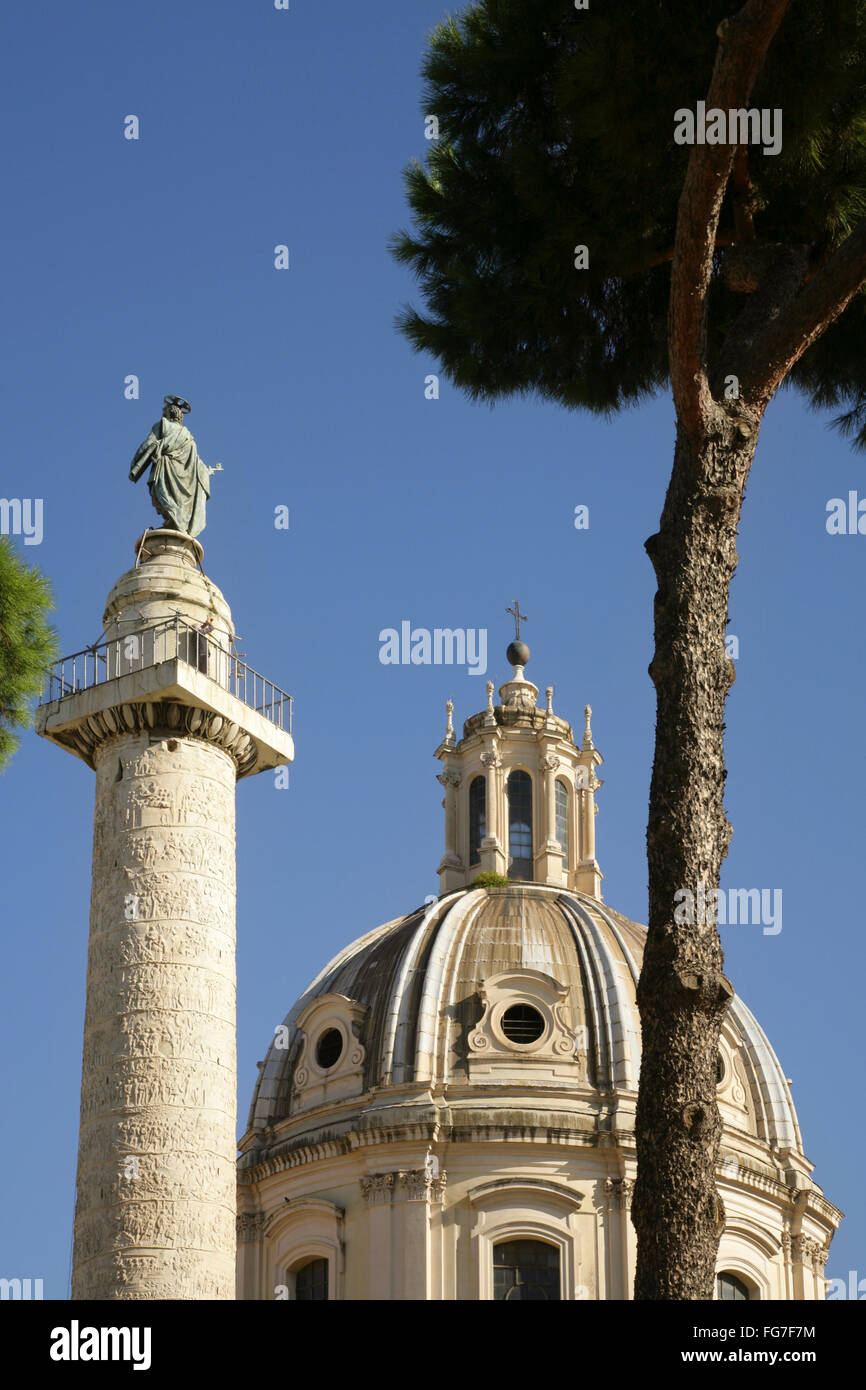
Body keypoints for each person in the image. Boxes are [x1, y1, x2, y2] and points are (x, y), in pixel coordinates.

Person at [129, 396, 222, 537]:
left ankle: (176, 520)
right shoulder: (188, 437)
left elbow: (147, 445)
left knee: (162, 496)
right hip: (183, 480)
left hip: (165, 470)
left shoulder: (163, 425)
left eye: (164, 410)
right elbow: (195, 462)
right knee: (169, 500)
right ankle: (176, 521)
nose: (162, 413)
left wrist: (135, 464)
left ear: (169, 413)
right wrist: (204, 470)